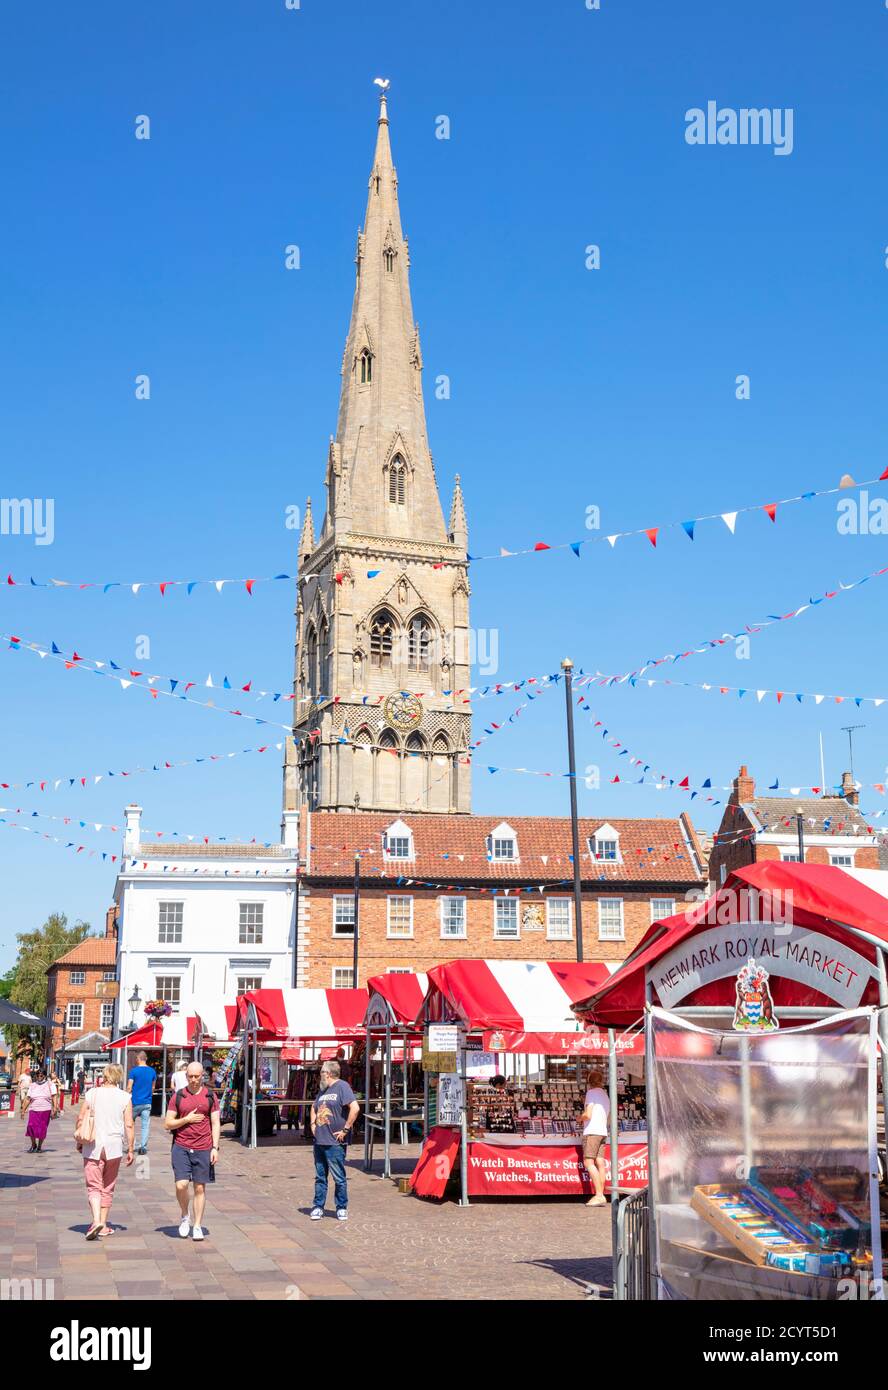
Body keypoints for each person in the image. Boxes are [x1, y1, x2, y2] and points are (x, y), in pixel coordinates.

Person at [75, 1061, 135, 1239]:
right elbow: (129, 1124)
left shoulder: (92, 1093)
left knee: (93, 1185)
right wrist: (131, 1148)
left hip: (92, 1144)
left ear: (105, 1075)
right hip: (114, 1146)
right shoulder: (125, 1097)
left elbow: (81, 1118)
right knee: (108, 1186)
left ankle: (96, 1221)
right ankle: (103, 1223)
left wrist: (79, 1140)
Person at [165, 1060, 220, 1242]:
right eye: (191, 1076)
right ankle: (184, 1215)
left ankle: (197, 1225)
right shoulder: (178, 1096)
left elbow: (215, 1123)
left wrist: (215, 1147)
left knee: (199, 1188)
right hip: (181, 1146)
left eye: (197, 1076)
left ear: (203, 1075)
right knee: (181, 1185)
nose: (194, 1080)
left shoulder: (210, 1096)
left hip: (203, 1147)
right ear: (186, 1076)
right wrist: (186, 1119)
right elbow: (168, 1123)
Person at [309, 1060, 360, 1222]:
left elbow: (355, 1107)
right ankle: (318, 1206)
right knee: (320, 1176)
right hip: (320, 1141)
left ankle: (341, 1207)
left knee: (339, 1177)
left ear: (328, 1073)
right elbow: (313, 1106)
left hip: (335, 1142)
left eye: (321, 1073)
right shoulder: (323, 1090)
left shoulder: (342, 1086)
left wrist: (346, 1129)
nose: (319, 1076)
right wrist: (312, 1125)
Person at [582, 1068, 611, 1207]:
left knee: (589, 1163)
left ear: (589, 1082)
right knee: (600, 1162)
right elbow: (608, 1117)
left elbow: (587, 1114)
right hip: (602, 1131)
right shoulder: (605, 1095)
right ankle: (602, 1193)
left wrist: (578, 1118)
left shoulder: (591, 1093)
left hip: (592, 1130)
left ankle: (599, 1195)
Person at [127, 1050, 157, 1155]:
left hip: (135, 1102)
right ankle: (143, 1147)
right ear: (146, 1059)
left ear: (138, 1059)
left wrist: (127, 1094)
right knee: (145, 1125)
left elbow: (129, 1087)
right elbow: (153, 1087)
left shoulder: (133, 1071)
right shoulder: (152, 1071)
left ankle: (132, 1145)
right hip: (147, 1102)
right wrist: (149, 1094)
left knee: (130, 1124)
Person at [22, 1066, 58, 1152]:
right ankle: (33, 1144)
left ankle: (39, 1147)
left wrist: (55, 1108)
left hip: (45, 1110)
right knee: (31, 1127)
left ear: (45, 1076)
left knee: (42, 1128)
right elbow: (28, 1098)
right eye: (37, 1075)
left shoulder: (50, 1084)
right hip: (33, 1109)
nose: (39, 1077)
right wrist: (23, 1110)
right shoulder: (33, 1085)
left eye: (41, 1075)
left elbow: (54, 1096)